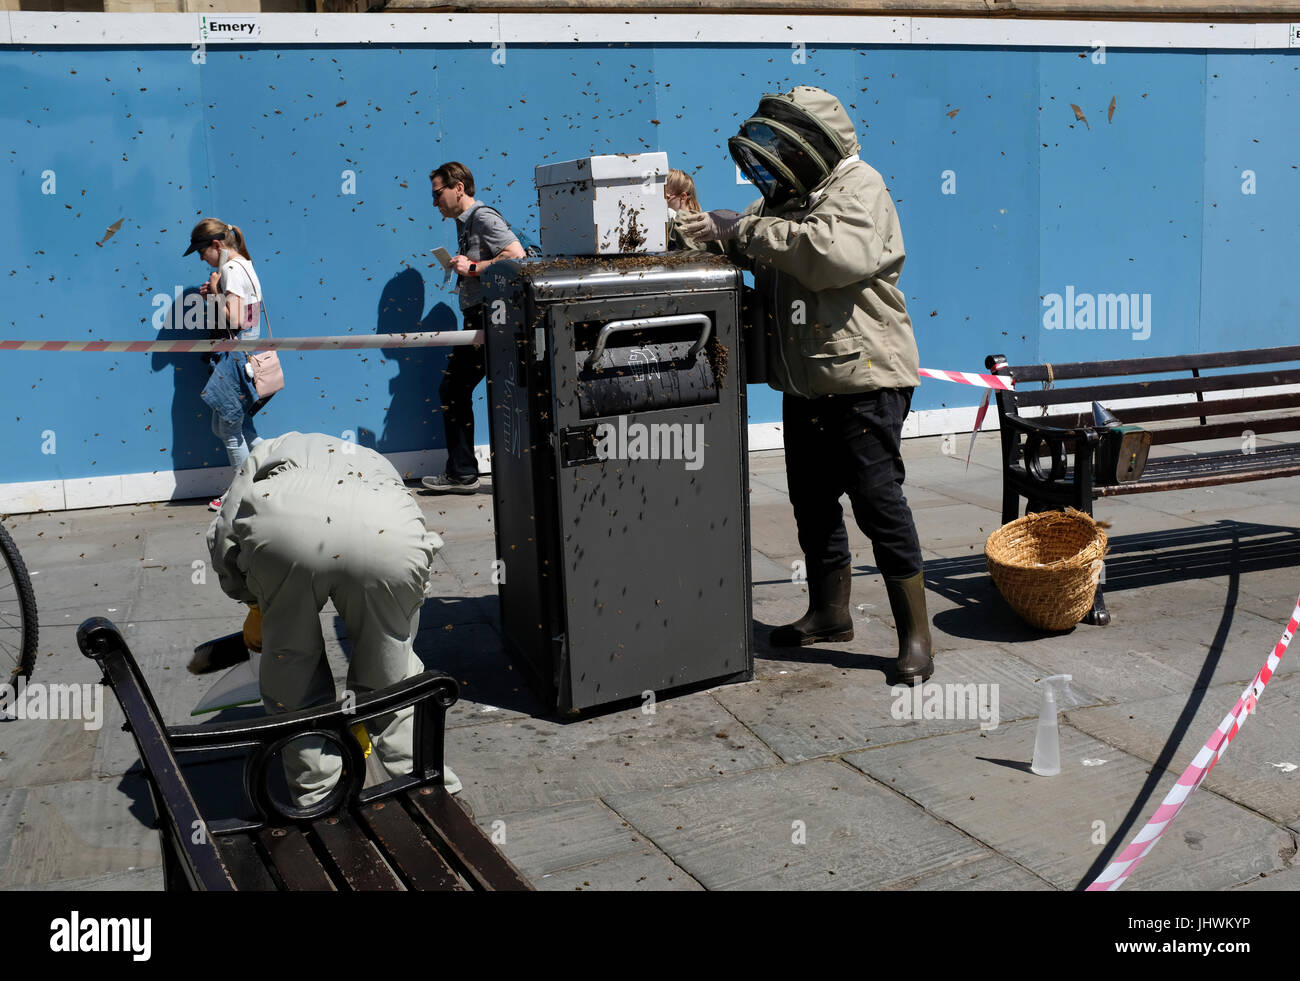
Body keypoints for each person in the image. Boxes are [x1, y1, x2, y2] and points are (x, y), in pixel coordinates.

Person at [680, 85, 933, 685]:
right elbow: (762, 247)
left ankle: (916, 635)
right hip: (810, 381)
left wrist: (741, 233)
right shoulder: (790, 196)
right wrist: (702, 235)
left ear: (814, 142)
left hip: (864, 375)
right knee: (812, 500)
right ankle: (829, 612)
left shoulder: (858, 185)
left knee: (878, 501)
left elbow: (830, 254)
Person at [207, 431, 453, 805]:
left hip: (284, 529)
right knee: (393, 674)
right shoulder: (369, 455)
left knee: (293, 671)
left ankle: (318, 798)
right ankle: (426, 786)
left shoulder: (268, 449)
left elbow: (226, 528)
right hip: (388, 535)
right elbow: (406, 516)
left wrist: (251, 599)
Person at [420, 162, 526, 494]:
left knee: (452, 390)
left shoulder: (482, 217)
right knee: (461, 390)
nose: (434, 202)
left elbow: (517, 256)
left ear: (459, 188)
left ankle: (464, 472)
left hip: (489, 318)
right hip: (481, 317)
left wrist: (475, 266)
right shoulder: (465, 223)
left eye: (438, 193)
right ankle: (468, 471)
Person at [185, 218, 268, 511]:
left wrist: (217, 290)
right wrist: (217, 293)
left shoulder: (231, 269)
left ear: (217, 245)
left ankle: (244, 496)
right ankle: (270, 478)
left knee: (230, 429)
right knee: (233, 426)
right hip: (243, 355)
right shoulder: (245, 263)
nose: (200, 257)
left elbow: (232, 320)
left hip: (235, 356)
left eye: (201, 251)